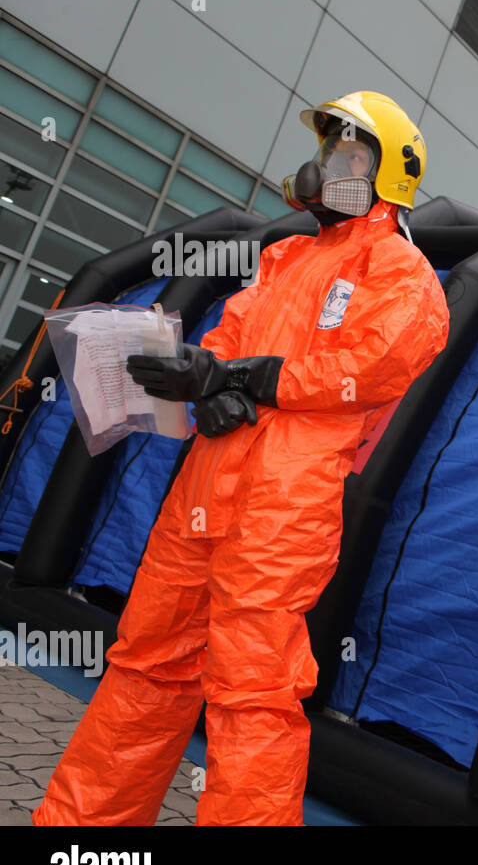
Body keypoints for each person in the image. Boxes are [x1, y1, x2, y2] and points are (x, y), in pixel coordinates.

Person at [33, 91, 449, 826]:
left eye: (351, 156)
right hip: (206, 485)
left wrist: (250, 381)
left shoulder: (403, 274)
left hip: (283, 508)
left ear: (389, 177)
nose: (328, 168)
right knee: (144, 665)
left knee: (250, 691)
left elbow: (372, 365)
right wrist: (199, 376)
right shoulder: (284, 257)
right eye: (330, 154)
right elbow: (230, 340)